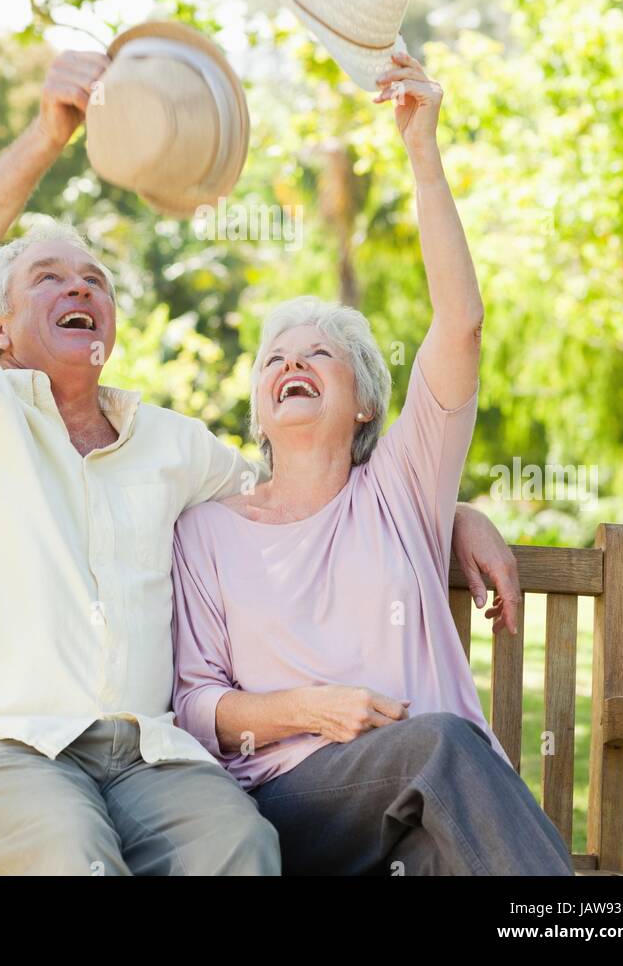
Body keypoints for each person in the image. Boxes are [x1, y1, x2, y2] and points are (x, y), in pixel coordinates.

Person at [0, 46, 520, 876]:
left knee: (240, 845)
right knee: (72, 851)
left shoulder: (176, 448)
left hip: (145, 762)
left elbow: (302, 491)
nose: (79, 289)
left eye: (96, 280)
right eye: (48, 278)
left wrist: (451, 513)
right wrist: (46, 139)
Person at [171, 46, 575, 877]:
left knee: (434, 855)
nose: (293, 364)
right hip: (295, 807)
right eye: (276, 358)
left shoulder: (399, 491)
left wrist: (422, 152)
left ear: (365, 403)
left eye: (322, 353)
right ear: (258, 408)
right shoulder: (207, 532)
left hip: (432, 811)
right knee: (439, 746)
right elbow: (197, 704)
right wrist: (308, 711)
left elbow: (458, 323)